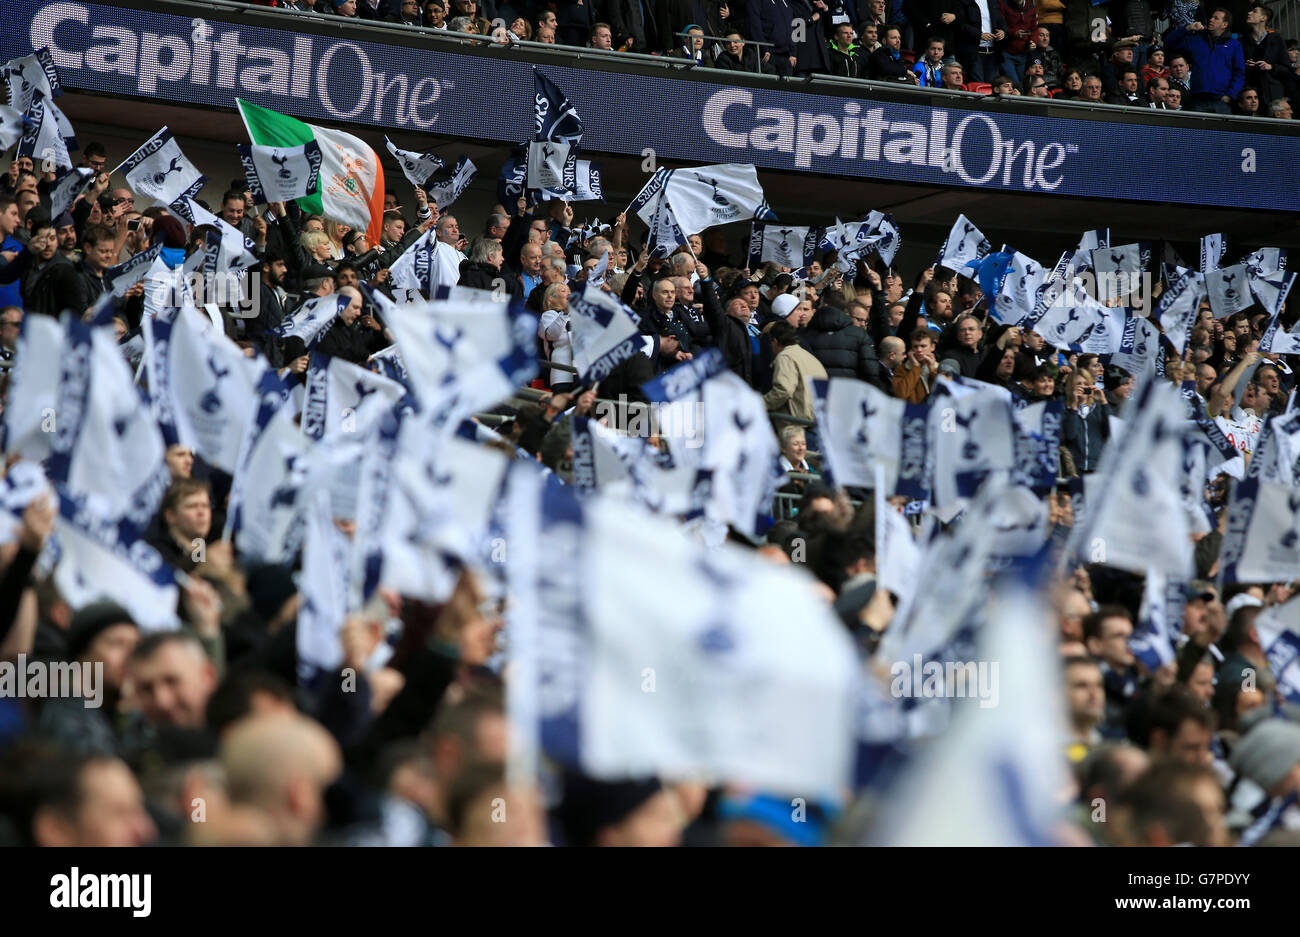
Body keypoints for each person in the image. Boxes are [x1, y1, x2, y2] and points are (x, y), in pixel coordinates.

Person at [1165, 9, 1246, 114]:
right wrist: (1188, 28)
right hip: (1197, 99)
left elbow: (1239, 73)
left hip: (1221, 100)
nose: (1211, 20)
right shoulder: (1197, 40)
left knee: (1220, 130)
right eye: (1211, 17)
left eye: (1216, 18)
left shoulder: (1234, 45)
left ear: (1224, 24)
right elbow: (1169, 41)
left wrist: (1231, 95)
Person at [763, 320, 828, 424]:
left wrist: (760, 404)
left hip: (797, 424)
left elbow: (783, 390)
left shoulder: (785, 357)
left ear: (774, 341)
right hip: (817, 420)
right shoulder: (810, 357)